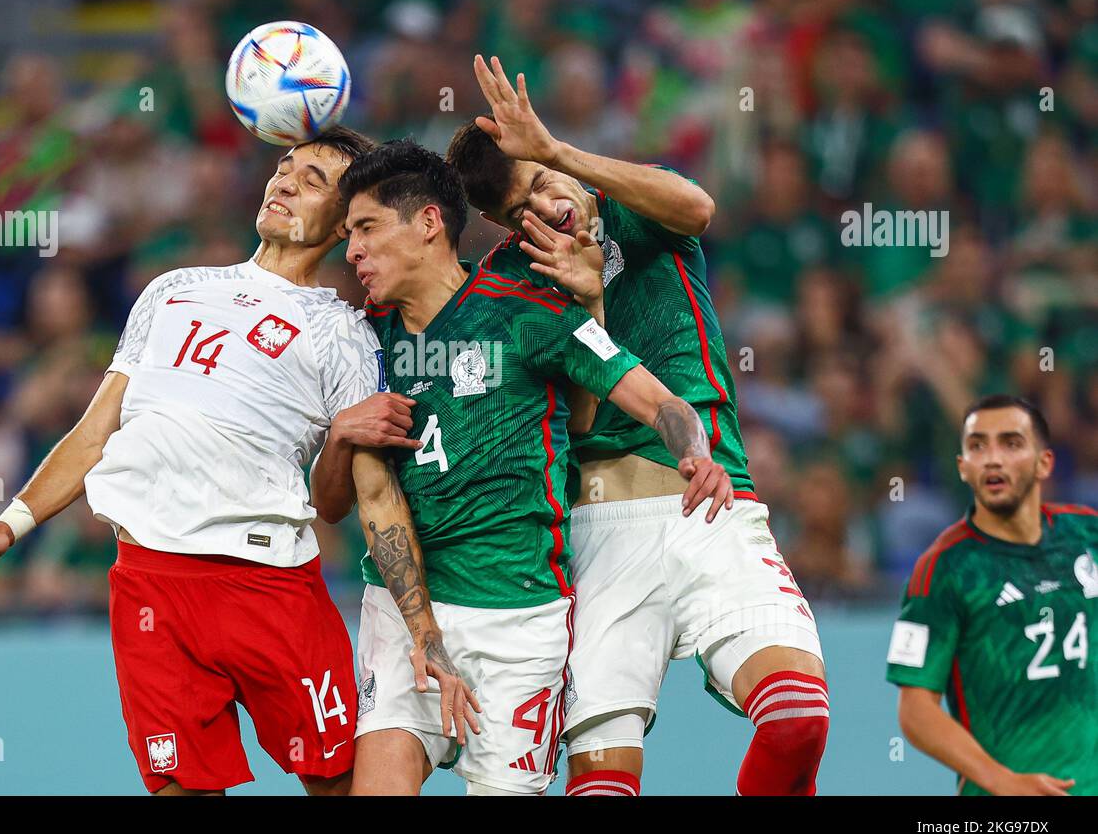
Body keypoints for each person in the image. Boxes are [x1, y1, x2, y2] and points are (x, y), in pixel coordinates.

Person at [0, 127, 476, 795]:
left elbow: (370, 495)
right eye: (284, 167)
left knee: (341, 784)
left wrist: (422, 627)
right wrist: (10, 524)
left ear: (346, 224)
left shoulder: (341, 331)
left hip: (270, 586)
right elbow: (96, 430)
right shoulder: (172, 289)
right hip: (150, 584)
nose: (285, 182)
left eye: (313, 180)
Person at [445, 56, 828, 796]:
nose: (549, 206)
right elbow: (580, 416)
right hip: (597, 538)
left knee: (797, 720)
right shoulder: (508, 283)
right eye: (523, 207)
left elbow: (698, 208)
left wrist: (557, 153)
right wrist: (586, 303)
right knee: (602, 784)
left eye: (546, 180)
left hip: (709, 501)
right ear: (500, 224)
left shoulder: (630, 204)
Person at [339, 140, 733, 795]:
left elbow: (660, 402)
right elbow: (374, 497)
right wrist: (425, 634)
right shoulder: (364, 341)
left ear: (429, 223)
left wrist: (695, 451)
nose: (352, 250)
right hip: (406, 609)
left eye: (366, 228)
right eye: (349, 234)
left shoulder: (532, 312)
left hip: (520, 619)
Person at [888, 394, 1098, 796]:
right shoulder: (944, 568)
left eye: (1011, 443)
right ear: (962, 467)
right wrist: (1003, 781)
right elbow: (915, 709)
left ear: (1044, 463)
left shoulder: (1088, 534)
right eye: (977, 446)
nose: (992, 459)